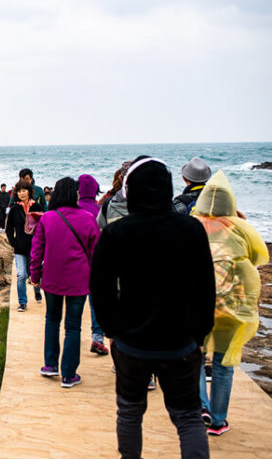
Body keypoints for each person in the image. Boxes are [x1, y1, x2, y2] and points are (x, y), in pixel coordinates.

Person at [90, 156, 215, 459]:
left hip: (131, 341)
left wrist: (110, 330)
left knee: (130, 411)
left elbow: (100, 288)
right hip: (181, 340)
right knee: (188, 417)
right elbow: (206, 287)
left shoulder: (116, 233)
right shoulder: (191, 229)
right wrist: (200, 335)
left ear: (130, 191)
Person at [194, 171, 269, 436]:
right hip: (231, 304)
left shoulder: (192, 224)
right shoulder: (242, 227)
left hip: (198, 304)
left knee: (196, 358)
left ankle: (201, 407)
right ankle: (218, 420)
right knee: (224, 363)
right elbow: (260, 257)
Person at [30, 177, 100, 388]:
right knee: (73, 326)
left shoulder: (48, 218)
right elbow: (96, 253)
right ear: (74, 194)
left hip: (52, 278)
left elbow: (36, 251)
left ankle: (50, 364)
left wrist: (35, 276)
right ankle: (69, 375)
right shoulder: (88, 218)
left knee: (52, 319)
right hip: (79, 280)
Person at [77, 174, 109, 356]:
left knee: (75, 303)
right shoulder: (100, 210)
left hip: (76, 264)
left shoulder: (73, 210)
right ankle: (97, 338)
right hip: (96, 263)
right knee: (95, 302)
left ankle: (72, 336)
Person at [5, 180, 43, 311]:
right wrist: (13, 242)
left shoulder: (37, 207)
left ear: (29, 192)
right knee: (21, 275)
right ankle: (22, 302)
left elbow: (43, 227)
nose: (21, 193)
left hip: (35, 248)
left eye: (24, 190)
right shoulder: (14, 209)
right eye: (19, 191)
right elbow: (9, 228)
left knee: (34, 274)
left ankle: (37, 291)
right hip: (19, 248)